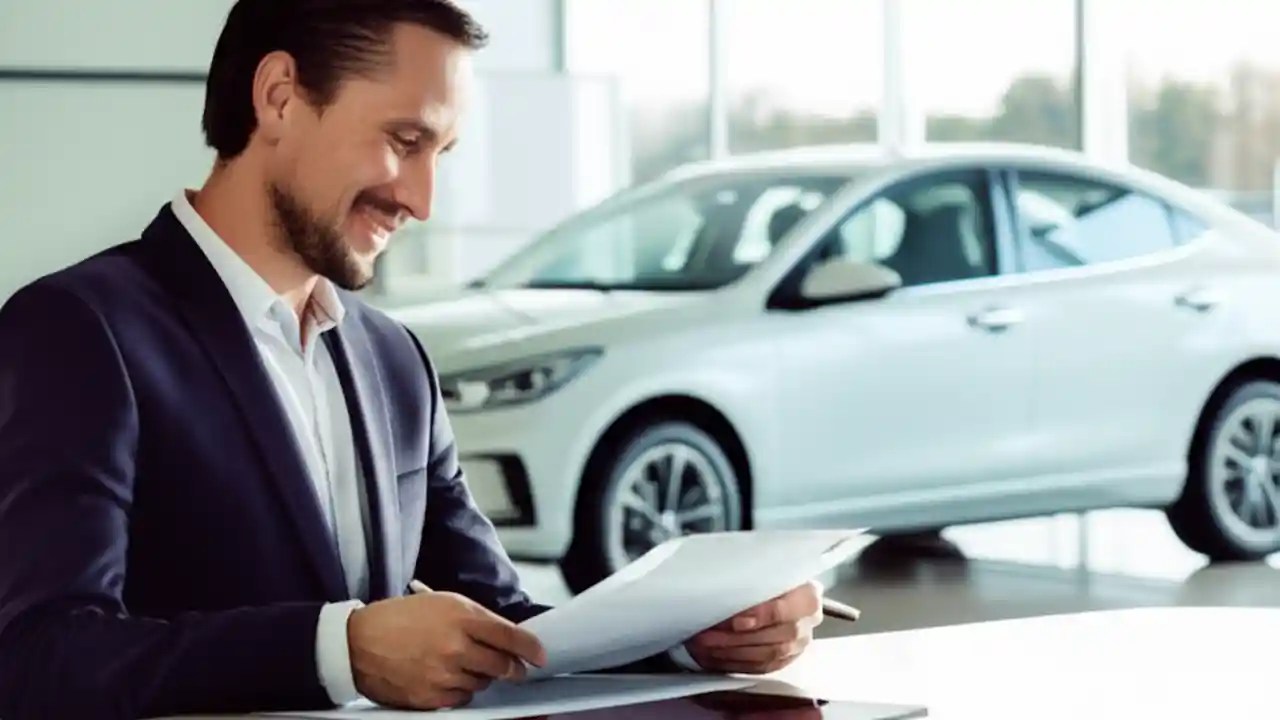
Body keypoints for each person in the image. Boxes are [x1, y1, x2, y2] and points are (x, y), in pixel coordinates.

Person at [0, 1, 825, 718]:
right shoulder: (77, 329)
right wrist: (340, 650)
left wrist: (693, 641)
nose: (422, 199)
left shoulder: (392, 359)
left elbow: (507, 628)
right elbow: (40, 656)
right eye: (404, 140)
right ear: (280, 95)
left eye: (442, 154)